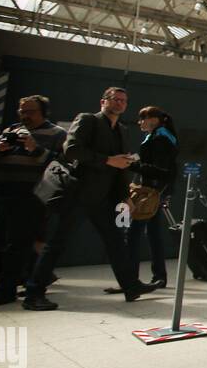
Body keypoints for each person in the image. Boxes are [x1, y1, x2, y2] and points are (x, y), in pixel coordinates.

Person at [25, 87, 156, 310]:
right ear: (103, 101)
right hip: (78, 195)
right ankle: (33, 293)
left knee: (116, 243)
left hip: (103, 198)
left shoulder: (122, 130)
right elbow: (72, 151)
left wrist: (125, 196)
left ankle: (130, 286)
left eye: (123, 101)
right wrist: (107, 160)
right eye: (115, 99)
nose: (119, 104)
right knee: (56, 243)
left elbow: (120, 166)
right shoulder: (87, 120)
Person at [0, 95, 66, 307]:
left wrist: (35, 149)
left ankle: (5, 290)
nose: (25, 115)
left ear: (43, 112)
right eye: (22, 111)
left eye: (31, 111)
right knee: (6, 241)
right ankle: (35, 277)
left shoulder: (56, 134)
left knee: (16, 244)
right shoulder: (11, 131)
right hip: (2, 192)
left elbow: (61, 164)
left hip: (31, 195)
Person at [119, 106, 177, 291]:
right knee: (153, 235)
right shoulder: (159, 137)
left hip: (151, 193)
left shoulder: (160, 139)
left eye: (142, 118)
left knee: (134, 235)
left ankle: (131, 280)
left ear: (154, 119)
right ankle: (159, 277)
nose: (139, 122)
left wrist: (133, 165)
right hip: (154, 192)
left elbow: (161, 170)